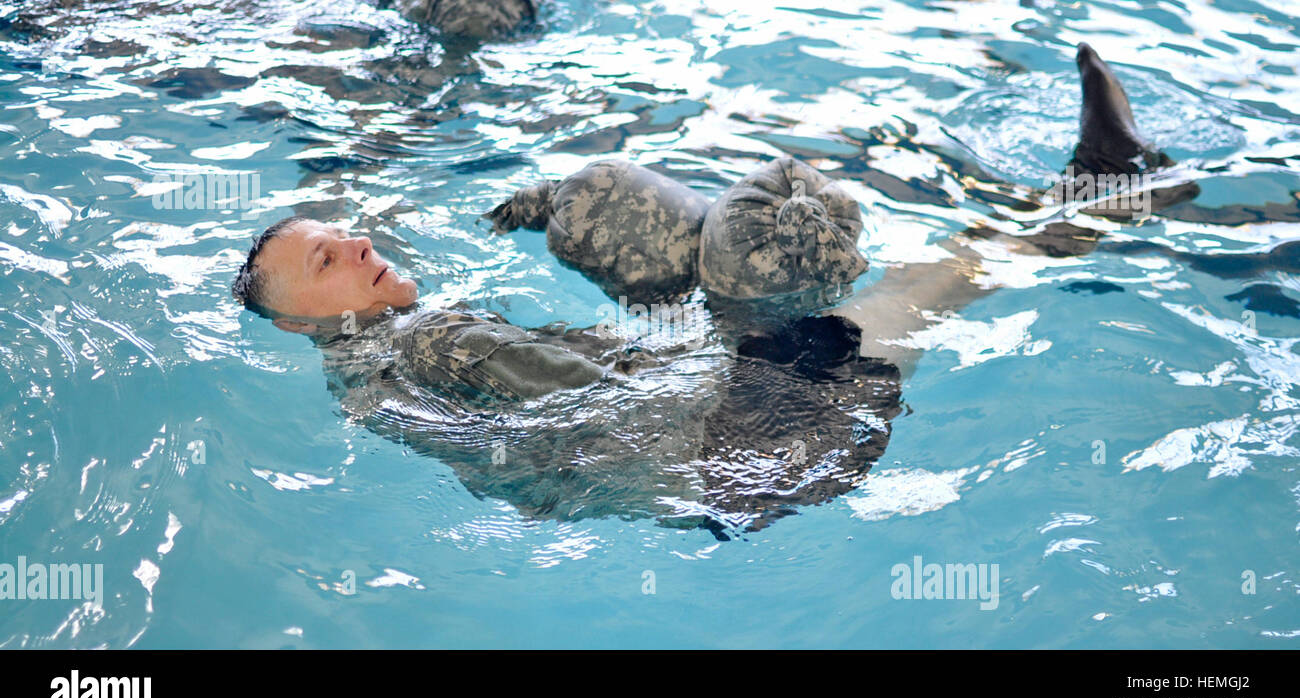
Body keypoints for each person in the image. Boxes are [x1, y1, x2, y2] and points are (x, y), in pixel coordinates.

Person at [232, 217, 900, 535]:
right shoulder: (432, 339)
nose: (359, 246)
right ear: (294, 322)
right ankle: (1002, 242)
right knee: (912, 297)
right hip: (742, 435)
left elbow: (530, 477)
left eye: (347, 235)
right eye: (327, 262)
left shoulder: (357, 389)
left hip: (705, 494)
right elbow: (601, 389)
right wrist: (725, 328)